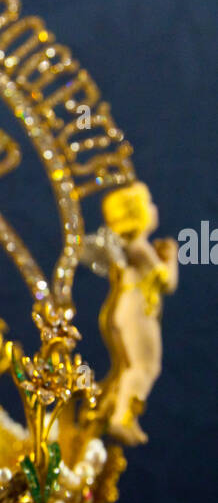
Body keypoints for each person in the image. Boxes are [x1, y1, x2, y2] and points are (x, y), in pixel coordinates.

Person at [95, 182, 178, 444]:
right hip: (137, 313)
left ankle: (119, 410)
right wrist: (171, 258)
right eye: (149, 202)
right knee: (145, 366)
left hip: (131, 310)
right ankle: (122, 417)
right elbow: (167, 283)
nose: (154, 209)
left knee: (130, 367)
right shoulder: (140, 248)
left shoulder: (134, 248)